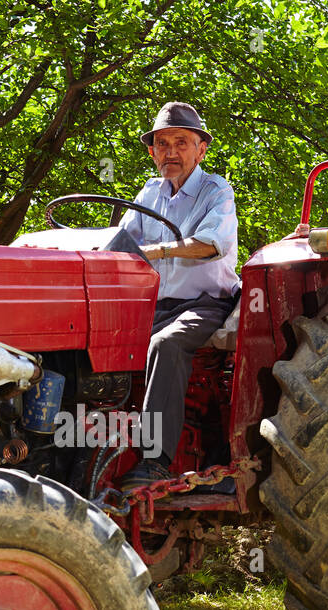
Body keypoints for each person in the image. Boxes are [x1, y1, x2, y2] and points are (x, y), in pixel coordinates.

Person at [117, 101, 240, 490]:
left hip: (206, 304)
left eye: (181, 142)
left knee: (166, 345)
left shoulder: (215, 190)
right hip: (156, 305)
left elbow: (210, 244)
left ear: (200, 149)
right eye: (163, 143)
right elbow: (121, 243)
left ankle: (155, 461)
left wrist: (157, 251)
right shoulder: (148, 194)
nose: (171, 151)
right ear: (153, 152)